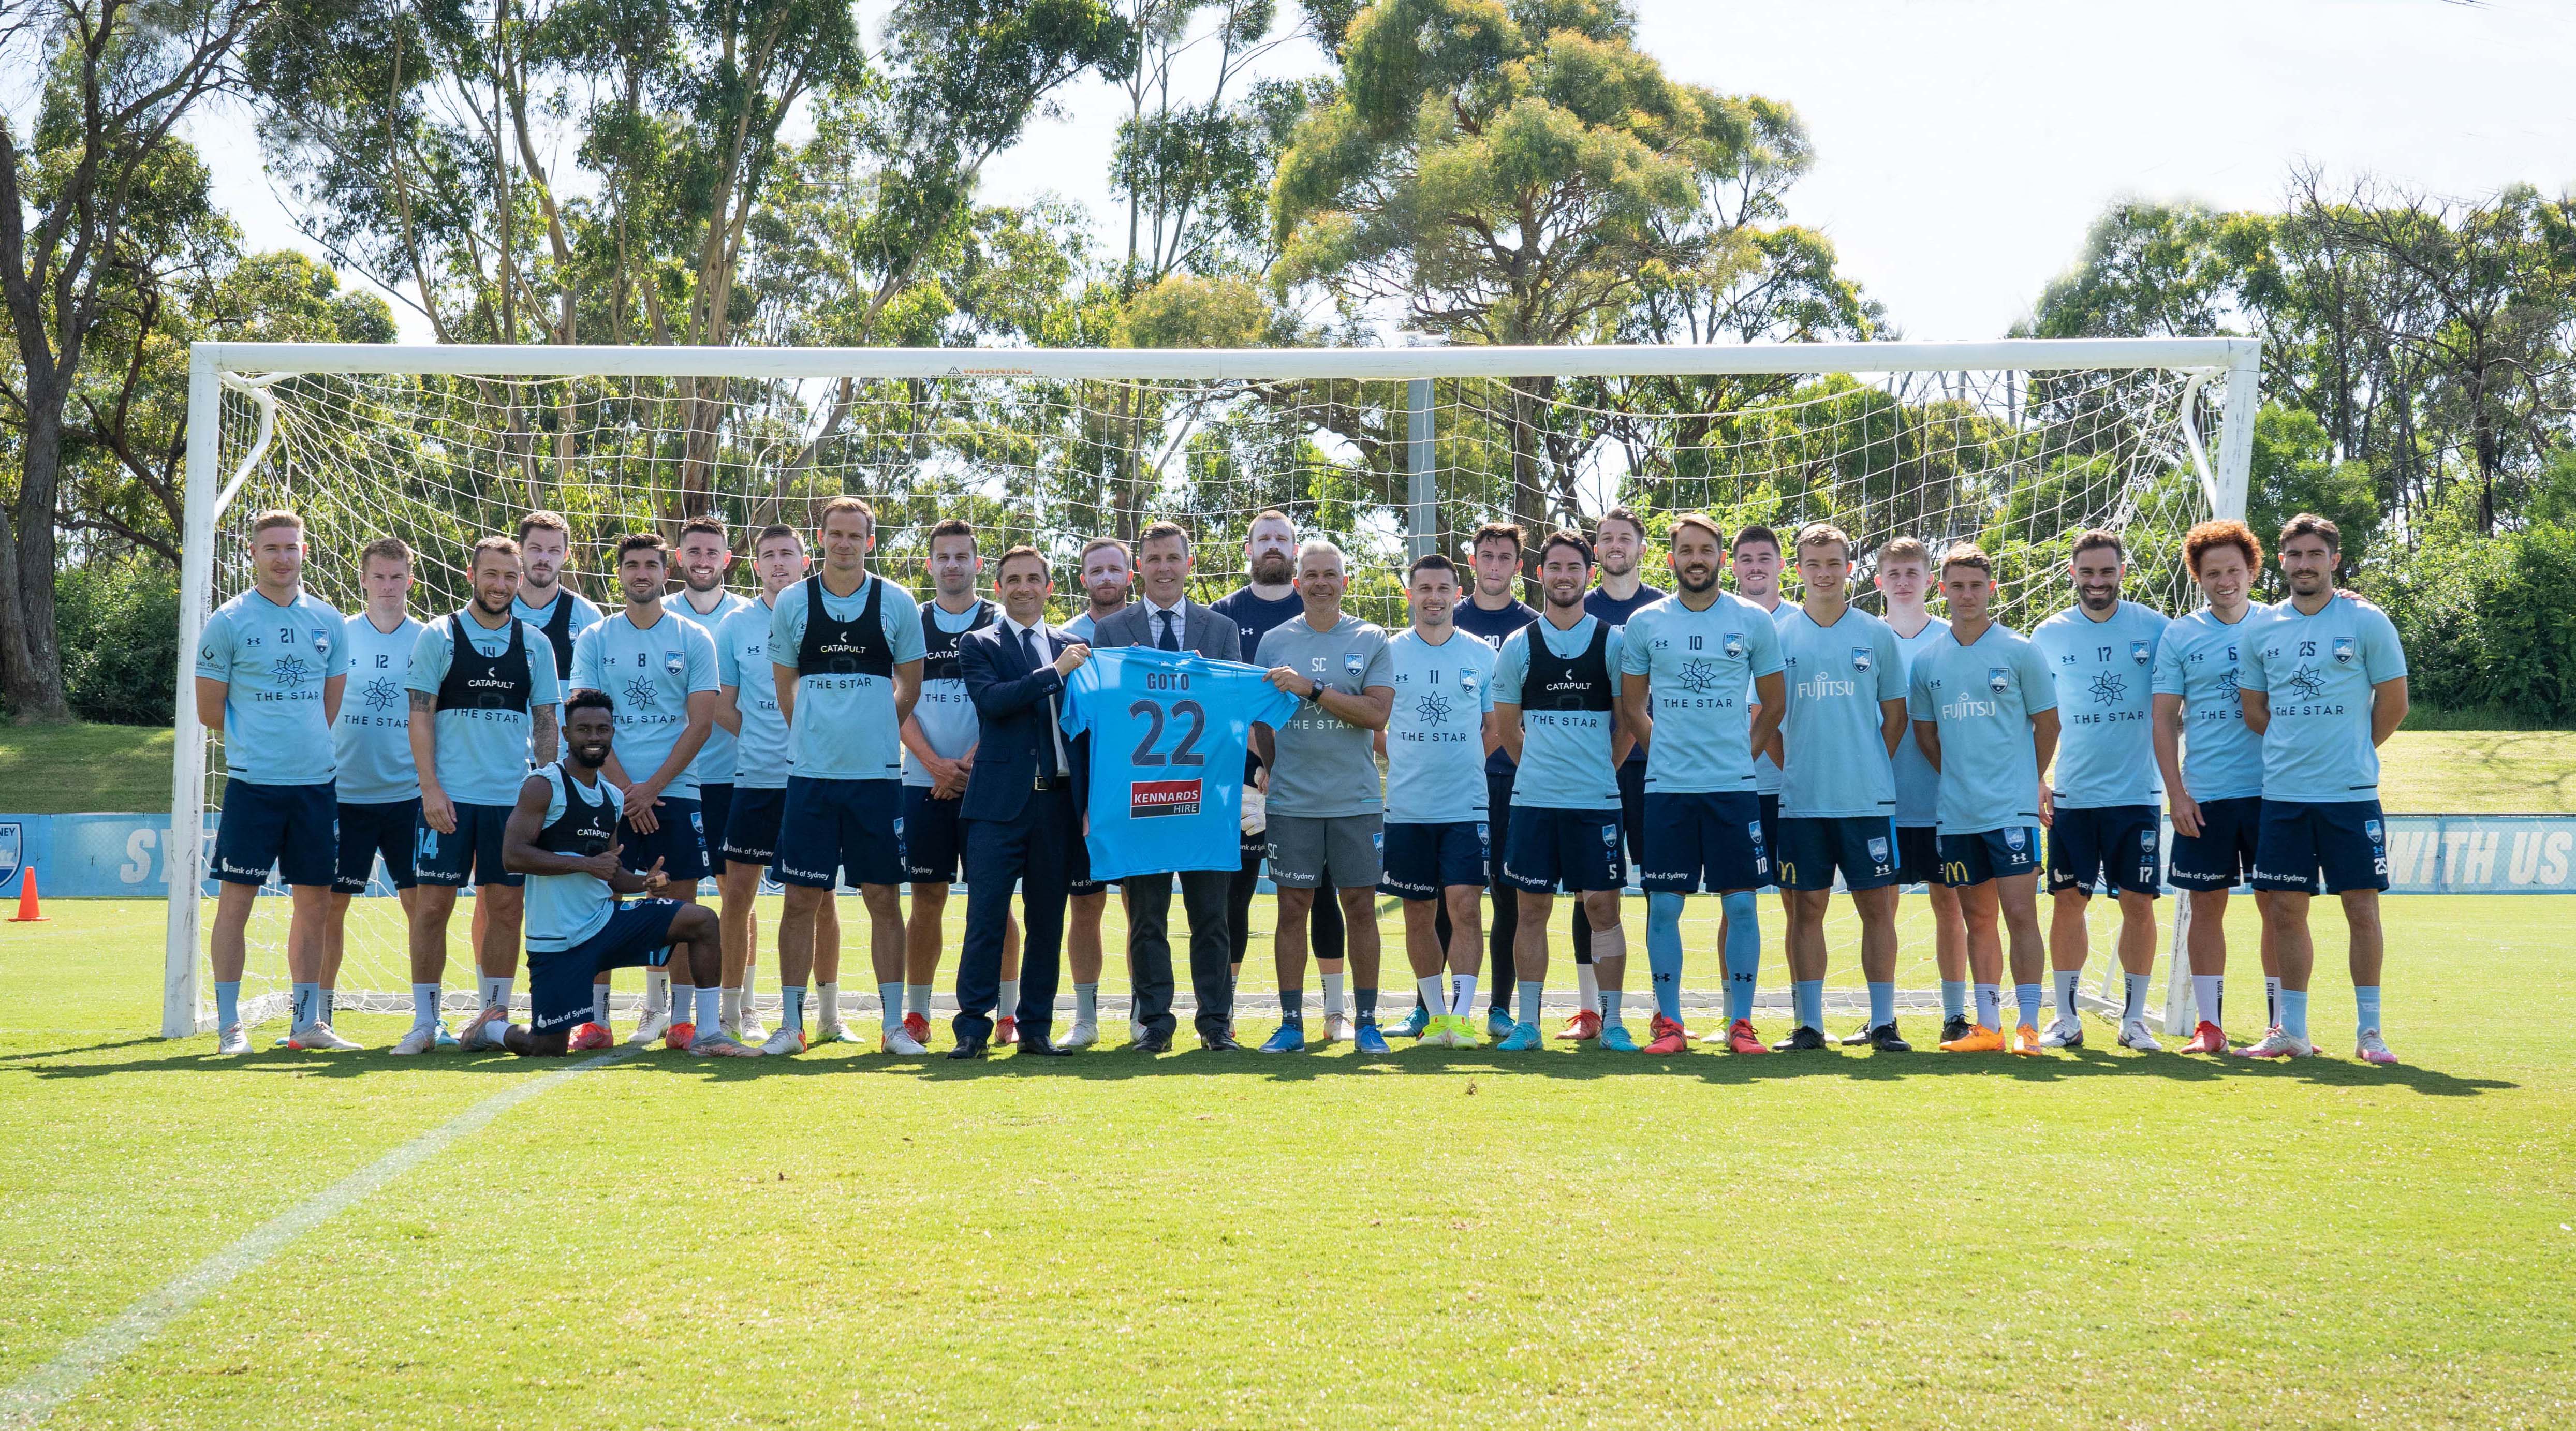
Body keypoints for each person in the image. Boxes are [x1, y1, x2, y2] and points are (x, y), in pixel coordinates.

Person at [1081, 519, 1262, 1052]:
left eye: (1173, 558)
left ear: (1190, 564)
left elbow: (1235, 713)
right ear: (1140, 567)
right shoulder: (1112, 631)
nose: (1164, 567)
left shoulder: (1220, 629)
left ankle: (1215, 1022)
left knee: (1212, 914)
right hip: (1141, 799)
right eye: (1154, 558)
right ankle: (1155, 1022)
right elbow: (1106, 722)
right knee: (1147, 915)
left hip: (1207, 797)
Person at [2236, 513, 2408, 1064]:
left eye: (2315, 554)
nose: (2304, 564)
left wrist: (2352, 748)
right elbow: (2255, 711)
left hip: (2351, 794)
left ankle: (2371, 1032)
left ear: (2334, 559)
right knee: (2285, 910)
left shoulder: (2367, 620)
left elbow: (2395, 702)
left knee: (2361, 907)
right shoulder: (2261, 628)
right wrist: (2301, 746)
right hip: (2283, 794)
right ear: (2281, 561)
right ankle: (2292, 1030)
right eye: (2295, 555)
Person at [1616, 514, 1784, 1055]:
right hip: (1667, 789)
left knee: (1742, 908)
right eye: (1686, 550)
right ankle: (1669, 1023)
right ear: (1671, 559)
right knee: (1664, 907)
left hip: (1733, 789)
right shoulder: (1646, 622)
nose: (1696, 558)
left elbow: (1775, 703)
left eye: (1706, 550)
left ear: (1720, 558)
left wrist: (1743, 754)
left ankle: (1741, 1023)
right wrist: (1659, 745)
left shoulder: (1753, 620)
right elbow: (1632, 703)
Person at [479, 690, 725, 1057]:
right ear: (565, 732)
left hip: (606, 923)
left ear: (613, 733)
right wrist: (584, 864)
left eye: (602, 729)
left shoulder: (611, 797)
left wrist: (644, 883)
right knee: (548, 1047)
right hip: (558, 939)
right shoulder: (543, 785)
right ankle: (493, 1027)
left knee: (702, 920)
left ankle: (708, 1033)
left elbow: (611, 875)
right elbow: (512, 856)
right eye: (584, 729)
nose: (593, 737)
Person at [768, 496, 928, 1054]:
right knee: (799, 900)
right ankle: (791, 1024)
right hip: (810, 776)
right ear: (820, 537)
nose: (844, 543)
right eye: (835, 534)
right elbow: (786, 686)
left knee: (883, 898)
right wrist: (817, 734)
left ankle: (892, 1027)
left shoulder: (897, 602)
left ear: (870, 541)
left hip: (877, 778)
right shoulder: (792, 601)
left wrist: (878, 728)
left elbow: (909, 685)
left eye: (854, 535)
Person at [196, 509, 350, 1054]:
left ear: (304, 551)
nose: (282, 556)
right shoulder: (229, 620)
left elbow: (329, 700)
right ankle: (230, 1025)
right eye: (271, 548)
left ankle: (306, 1022)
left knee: (316, 904)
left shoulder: (329, 621)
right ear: (253, 553)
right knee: (235, 903)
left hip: (315, 785)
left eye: (291, 546)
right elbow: (209, 710)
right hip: (253, 785)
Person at [405, 536, 565, 1052]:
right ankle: (426, 1022)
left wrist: (547, 794)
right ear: (471, 575)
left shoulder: (535, 644)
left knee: (505, 908)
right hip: (447, 800)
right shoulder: (439, 636)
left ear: (521, 580)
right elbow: (420, 716)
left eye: (509, 576)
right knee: (432, 907)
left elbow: (546, 727)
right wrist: (430, 787)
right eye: (491, 574)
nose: (500, 585)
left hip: (510, 803)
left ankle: (493, 1017)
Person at [569, 532, 722, 1048]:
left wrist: (650, 787)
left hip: (674, 794)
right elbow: (584, 722)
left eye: (651, 565)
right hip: (604, 793)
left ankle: (681, 1020)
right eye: (632, 564)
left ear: (665, 572)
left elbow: (700, 724)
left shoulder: (694, 637)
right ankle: (595, 1019)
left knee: (677, 903)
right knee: (598, 899)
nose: (641, 573)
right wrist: (626, 789)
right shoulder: (595, 637)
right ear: (619, 573)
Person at [1906, 545, 2059, 1055]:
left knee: (2021, 914)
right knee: (1977, 918)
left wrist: (2024, 778)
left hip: (2012, 810)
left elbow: (2049, 723)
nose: (1966, 594)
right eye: (1957, 585)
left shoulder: (2019, 650)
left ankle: (2030, 1026)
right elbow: (1926, 737)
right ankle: (1989, 1025)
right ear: (1942, 589)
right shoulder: (1928, 661)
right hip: (1957, 814)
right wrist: (1961, 778)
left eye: (1976, 585)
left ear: (1991, 589)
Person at [1252, 540, 1396, 1054]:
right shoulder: (1273, 641)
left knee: (1360, 905)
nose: (1320, 582)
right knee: (1291, 908)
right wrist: (1274, 769)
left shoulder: (1371, 636)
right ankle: (1291, 1023)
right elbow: (1263, 722)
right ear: (1297, 582)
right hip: (1293, 803)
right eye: (1310, 574)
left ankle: (1368, 1022)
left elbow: (1376, 714)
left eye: (1329, 574)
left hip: (1356, 800)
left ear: (1345, 581)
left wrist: (1311, 689)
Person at [1492, 530, 1634, 1051]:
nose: (1564, 575)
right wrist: (1544, 773)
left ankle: (1613, 1019)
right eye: (1554, 567)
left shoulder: (1612, 642)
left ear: (1589, 573)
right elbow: (1508, 730)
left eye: (1574, 567)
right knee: (1531, 909)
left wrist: (1599, 770)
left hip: (1596, 802)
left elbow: (1628, 725)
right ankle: (1528, 1022)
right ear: (1540, 574)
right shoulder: (1519, 645)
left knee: (1603, 907)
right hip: (1534, 802)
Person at [1772, 523, 1911, 1051]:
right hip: (1802, 801)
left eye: (1834, 562)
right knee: (1806, 910)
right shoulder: (1780, 635)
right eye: (1814, 563)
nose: (1824, 572)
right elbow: (1766, 719)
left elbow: (1894, 717)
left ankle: (1883, 1022)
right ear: (1800, 569)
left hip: (1865, 800)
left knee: (1878, 910)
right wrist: (1797, 768)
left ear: (1849, 568)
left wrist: (1866, 762)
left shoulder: (1875, 635)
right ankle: (1809, 1023)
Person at [2031, 528, 2171, 1051]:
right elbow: (2037, 717)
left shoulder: (2156, 629)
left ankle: (2135, 1019)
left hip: (2137, 794)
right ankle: (2065, 1017)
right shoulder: (2048, 633)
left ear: (2122, 572)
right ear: (2073, 573)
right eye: (2087, 572)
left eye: (2107, 572)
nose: (2097, 581)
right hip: (2073, 796)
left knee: (2138, 902)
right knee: (2068, 900)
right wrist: (2037, 776)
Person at [948, 546, 1091, 1059]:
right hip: (995, 807)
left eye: (1034, 578)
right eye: (1014, 579)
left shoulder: (1077, 646)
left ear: (1050, 587)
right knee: (985, 917)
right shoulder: (978, 643)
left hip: (1057, 807)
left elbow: (1091, 732)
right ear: (1000, 588)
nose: (1024, 587)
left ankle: (1036, 1026)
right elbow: (994, 702)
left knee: (1048, 920)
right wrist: (1055, 672)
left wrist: (1092, 801)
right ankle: (971, 1028)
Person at [718, 524, 853, 1054]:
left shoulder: (828, 612)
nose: (778, 562)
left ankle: (828, 1014)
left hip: (817, 777)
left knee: (821, 897)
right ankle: (734, 1009)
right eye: (769, 554)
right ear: (756, 564)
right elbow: (724, 704)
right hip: (757, 778)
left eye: (787, 553)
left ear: (805, 559)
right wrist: (760, 734)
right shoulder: (734, 624)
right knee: (738, 894)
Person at [1211, 509, 1346, 1032]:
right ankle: (1223, 1011)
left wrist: (1284, 766)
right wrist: (1265, 762)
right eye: (1262, 537)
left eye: (1281, 538)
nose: (1272, 545)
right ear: (1248, 549)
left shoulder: (1319, 609)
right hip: (1240, 776)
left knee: (1320, 892)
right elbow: (1228, 698)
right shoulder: (1222, 615)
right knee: (1234, 892)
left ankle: (1335, 1012)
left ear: (1294, 553)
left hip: (1312, 776)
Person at [2154, 519, 2279, 1055]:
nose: (2224, 580)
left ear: (2252, 568)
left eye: (2233, 569)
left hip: (2277, 792)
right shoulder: (2180, 635)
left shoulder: (2282, 624)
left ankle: (2283, 1023)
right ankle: (2210, 1024)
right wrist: (2177, 793)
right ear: (2198, 577)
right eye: (2212, 573)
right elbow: (2162, 720)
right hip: (2206, 795)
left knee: (2281, 908)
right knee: (2206, 907)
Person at [900, 518, 1020, 1047]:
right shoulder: (909, 621)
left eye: (962, 556)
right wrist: (935, 765)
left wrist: (966, 765)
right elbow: (896, 704)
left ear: (977, 563)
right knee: (927, 896)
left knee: (995, 901)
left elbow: (1008, 706)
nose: (952, 565)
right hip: (921, 780)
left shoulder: (999, 622)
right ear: (930, 565)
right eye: (943, 557)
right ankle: (918, 1013)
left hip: (987, 782)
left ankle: (1009, 1013)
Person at [1378, 554, 1501, 1049]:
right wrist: (1407, 753)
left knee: (1466, 907)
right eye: (1424, 587)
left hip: (1466, 805)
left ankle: (1463, 1018)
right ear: (1410, 594)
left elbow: (1493, 729)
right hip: (1407, 807)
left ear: (1457, 592)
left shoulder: (1480, 654)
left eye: (1443, 587)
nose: (1434, 596)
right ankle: (1434, 1019)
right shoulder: (1386, 653)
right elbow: (1371, 724)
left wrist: (1462, 754)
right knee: (1417, 912)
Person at [1562, 506, 1667, 1039]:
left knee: (1656, 888)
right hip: (1591, 769)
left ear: (1642, 548)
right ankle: (1589, 1007)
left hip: (1653, 767)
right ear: (1596, 550)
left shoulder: (1665, 609)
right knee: (1592, 890)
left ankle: (1658, 1006)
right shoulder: (1579, 608)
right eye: (1606, 538)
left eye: (1625, 536)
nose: (1615, 544)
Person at [328, 537, 426, 1044]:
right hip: (344, 796)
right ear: (363, 579)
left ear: (411, 580)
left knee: (422, 907)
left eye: (397, 577)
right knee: (330, 906)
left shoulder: (431, 640)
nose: (388, 586)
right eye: (379, 577)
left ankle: (427, 1017)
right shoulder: (338, 636)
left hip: (410, 798)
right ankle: (316, 1018)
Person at [1875, 537, 1975, 1043]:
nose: (1903, 581)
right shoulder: (1868, 637)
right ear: (1878, 581)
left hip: (1942, 801)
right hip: (1880, 800)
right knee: (1880, 911)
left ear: (1929, 579)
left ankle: (1955, 1014)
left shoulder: (1950, 639)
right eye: (1894, 573)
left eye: (1912, 571)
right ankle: (1882, 1015)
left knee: (1951, 905)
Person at [668, 515, 763, 1041]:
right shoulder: (658, 616)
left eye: (713, 552)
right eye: (694, 551)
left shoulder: (749, 618)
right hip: (675, 777)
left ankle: (742, 1004)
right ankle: (661, 1005)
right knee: (668, 892)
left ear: (727, 559)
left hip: (734, 774)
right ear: (679, 558)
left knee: (736, 895)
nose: (703, 560)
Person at [1449, 522, 1540, 1037]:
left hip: (1510, 776)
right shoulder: (1446, 620)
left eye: (1505, 557)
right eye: (1487, 555)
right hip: (1451, 780)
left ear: (1518, 566)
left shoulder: (1533, 626)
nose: (1495, 565)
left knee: (1508, 893)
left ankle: (1500, 1006)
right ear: (1474, 562)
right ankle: (1436, 1005)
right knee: (1450, 891)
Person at [1055, 536, 1132, 1049]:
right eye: (1096, 570)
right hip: (1082, 797)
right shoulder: (1063, 638)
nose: (1106, 577)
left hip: (1140, 796)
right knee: (1084, 906)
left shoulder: (1146, 633)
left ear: (1131, 575)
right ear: (1082, 578)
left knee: (1142, 908)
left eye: (1114, 568)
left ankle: (1144, 1013)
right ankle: (1085, 1016)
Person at [1718, 523, 1793, 1036]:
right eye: (1746, 558)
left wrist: (1799, 770)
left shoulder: (1800, 623)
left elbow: (1776, 707)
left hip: (1791, 790)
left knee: (1799, 904)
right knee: (1735, 901)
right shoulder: (1720, 618)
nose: (1755, 566)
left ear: (1781, 564)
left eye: (1764, 557)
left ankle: (1801, 1015)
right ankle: (1733, 1015)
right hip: (1735, 787)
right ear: (1733, 565)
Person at [511, 510, 604, 683]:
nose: (544, 558)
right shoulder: (491, 610)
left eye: (554, 551)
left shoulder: (587, 616)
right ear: (520, 550)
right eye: (535, 549)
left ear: (566, 555)